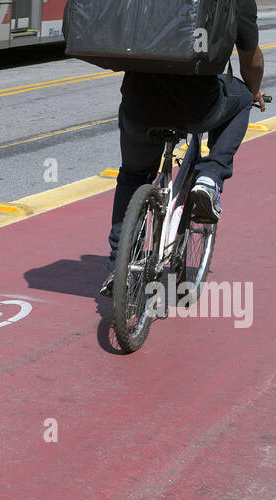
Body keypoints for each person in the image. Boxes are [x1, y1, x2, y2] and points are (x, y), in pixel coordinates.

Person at [100, 0, 265, 296]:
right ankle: (210, 177)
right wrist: (254, 90)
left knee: (133, 175)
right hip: (199, 108)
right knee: (242, 99)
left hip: (139, 106)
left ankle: (117, 268)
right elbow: (250, 58)